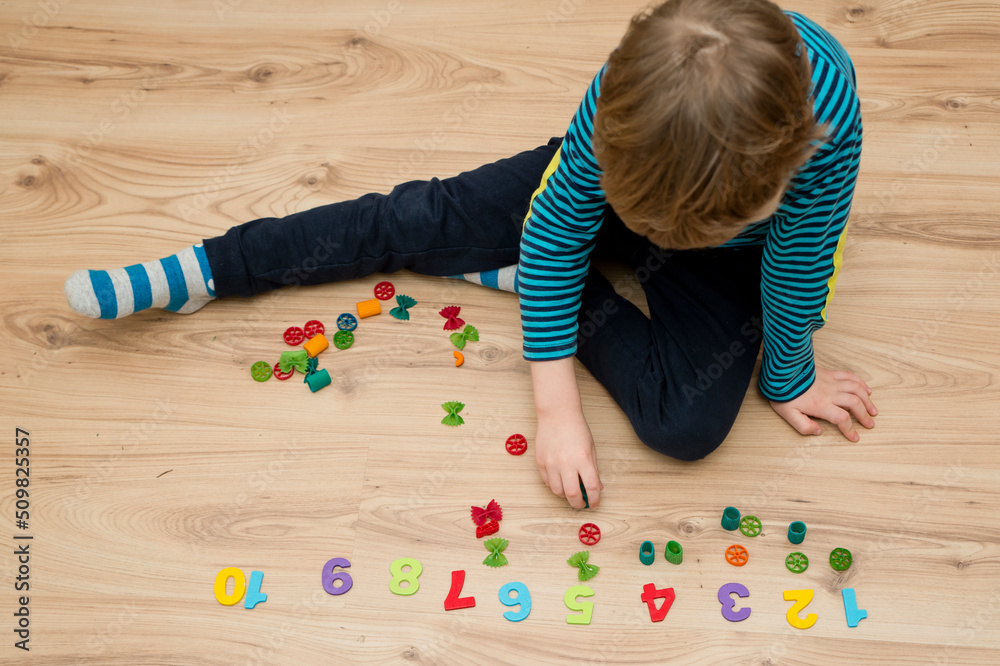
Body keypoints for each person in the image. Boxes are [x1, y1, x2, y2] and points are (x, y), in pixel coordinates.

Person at [64, 0, 877, 509]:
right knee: (423, 215)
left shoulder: (827, 125)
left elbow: (798, 266)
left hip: (729, 256)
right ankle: (214, 268)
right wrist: (555, 410)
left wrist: (788, 373)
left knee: (689, 425)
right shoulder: (630, 95)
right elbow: (562, 223)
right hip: (608, 190)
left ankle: (537, 285)